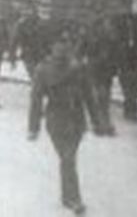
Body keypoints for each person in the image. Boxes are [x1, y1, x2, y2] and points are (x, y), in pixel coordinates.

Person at [28, 34, 98, 215]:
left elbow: (89, 96)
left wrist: (97, 121)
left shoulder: (79, 68)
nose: (62, 48)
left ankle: (68, 197)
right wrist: (33, 128)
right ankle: (74, 198)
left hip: (76, 120)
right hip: (56, 121)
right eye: (58, 44)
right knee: (68, 158)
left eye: (66, 44)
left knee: (68, 158)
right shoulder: (43, 70)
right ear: (51, 47)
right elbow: (36, 100)